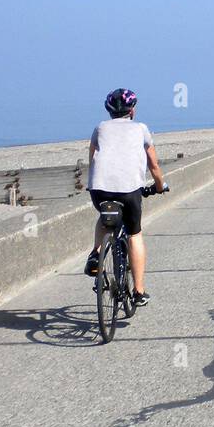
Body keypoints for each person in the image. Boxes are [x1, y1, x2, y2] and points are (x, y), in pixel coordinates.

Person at [83, 88, 166, 306]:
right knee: (134, 234)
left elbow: (92, 159)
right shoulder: (140, 129)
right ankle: (138, 291)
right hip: (129, 190)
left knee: (104, 217)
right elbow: (154, 165)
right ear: (132, 110)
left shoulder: (99, 128)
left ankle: (95, 253)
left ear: (108, 110)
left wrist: (94, 184)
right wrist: (159, 186)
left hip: (100, 189)